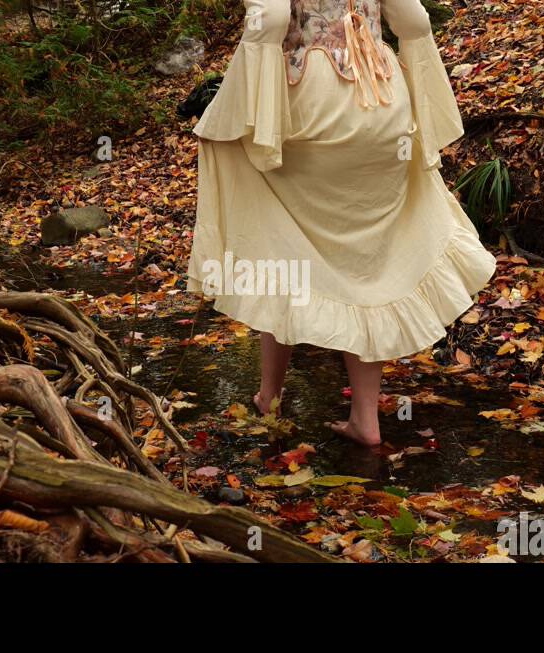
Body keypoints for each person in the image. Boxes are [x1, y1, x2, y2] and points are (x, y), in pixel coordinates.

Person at [186, 0, 496, 446]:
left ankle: (269, 396)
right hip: (384, 104)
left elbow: (269, 21)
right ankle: (364, 419)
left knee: (280, 240)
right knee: (368, 260)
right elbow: (414, 22)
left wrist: (232, 109)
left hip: (311, 111)